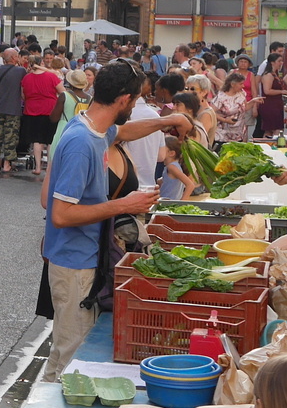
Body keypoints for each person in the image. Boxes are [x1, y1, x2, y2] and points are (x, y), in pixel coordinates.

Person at [43, 63, 189, 379]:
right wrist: (122, 204)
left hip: (84, 260)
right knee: (71, 356)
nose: (135, 107)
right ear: (123, 99)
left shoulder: (96, 128)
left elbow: (123, 131)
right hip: (74, 266)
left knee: (62, 352)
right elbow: (60, 214)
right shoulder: (82, 142)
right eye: (135, 101)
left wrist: (167, 121)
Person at [19, 53, 60, 178]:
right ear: (41, 63)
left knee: (37, 140)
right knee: (50, 140)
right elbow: (62, 91)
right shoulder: (51, 76)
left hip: (32, 110)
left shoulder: (26, 78)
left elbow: (23, 96)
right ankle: (49, 167)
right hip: (50, 109)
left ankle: (37, 167)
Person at [0, 46, 25, 175]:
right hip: (13, 108)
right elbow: (23, 92)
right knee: (10, 136)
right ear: (14, 58)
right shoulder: (21, 71)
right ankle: (7, 164)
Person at [212, 72, 251, 144]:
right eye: (241, 84)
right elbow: (211, 112)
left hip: (239, 133)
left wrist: (254, 101)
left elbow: (246, 107)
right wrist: (225, 120)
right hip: (223, 135)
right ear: (232, 84)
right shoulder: (221, 97)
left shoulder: (241, 93)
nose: (243, 86)